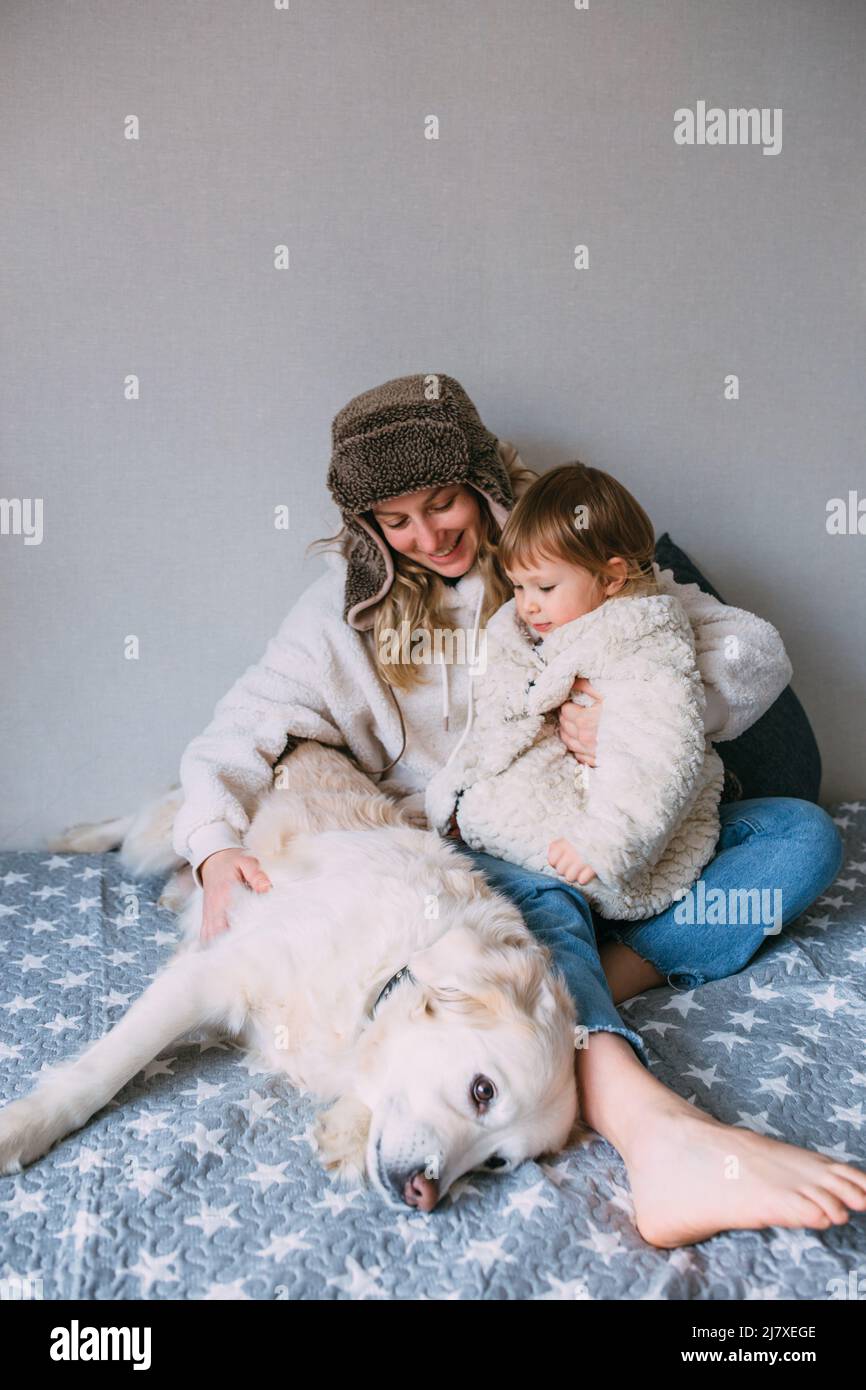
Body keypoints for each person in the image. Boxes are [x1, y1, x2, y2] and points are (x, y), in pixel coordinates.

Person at [171, 372, 864, 1246]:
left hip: (623, 830)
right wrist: (208, 846)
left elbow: (754, 654)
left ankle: (602, 976)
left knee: (802, 839)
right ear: (368, 528)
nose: (427, 535)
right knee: (535, 905)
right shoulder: (344, 615)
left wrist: (645, 718)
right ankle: (660, 1136)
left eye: (443, 502)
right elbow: (237, 732)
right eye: (396, 520)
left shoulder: (559, 548)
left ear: (483, 482)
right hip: (490, 850)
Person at [425, 460, 728, 920]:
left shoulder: (641, 642)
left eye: (544, 586)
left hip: (602, 845)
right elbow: (492, 726)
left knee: (798, 835)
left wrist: (605, 841)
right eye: (518, 585)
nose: (527, 604)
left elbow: (659, 754)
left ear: (611, 577)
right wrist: (457, 793)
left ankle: (614, 953)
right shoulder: (521, 633)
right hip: (521, 833)